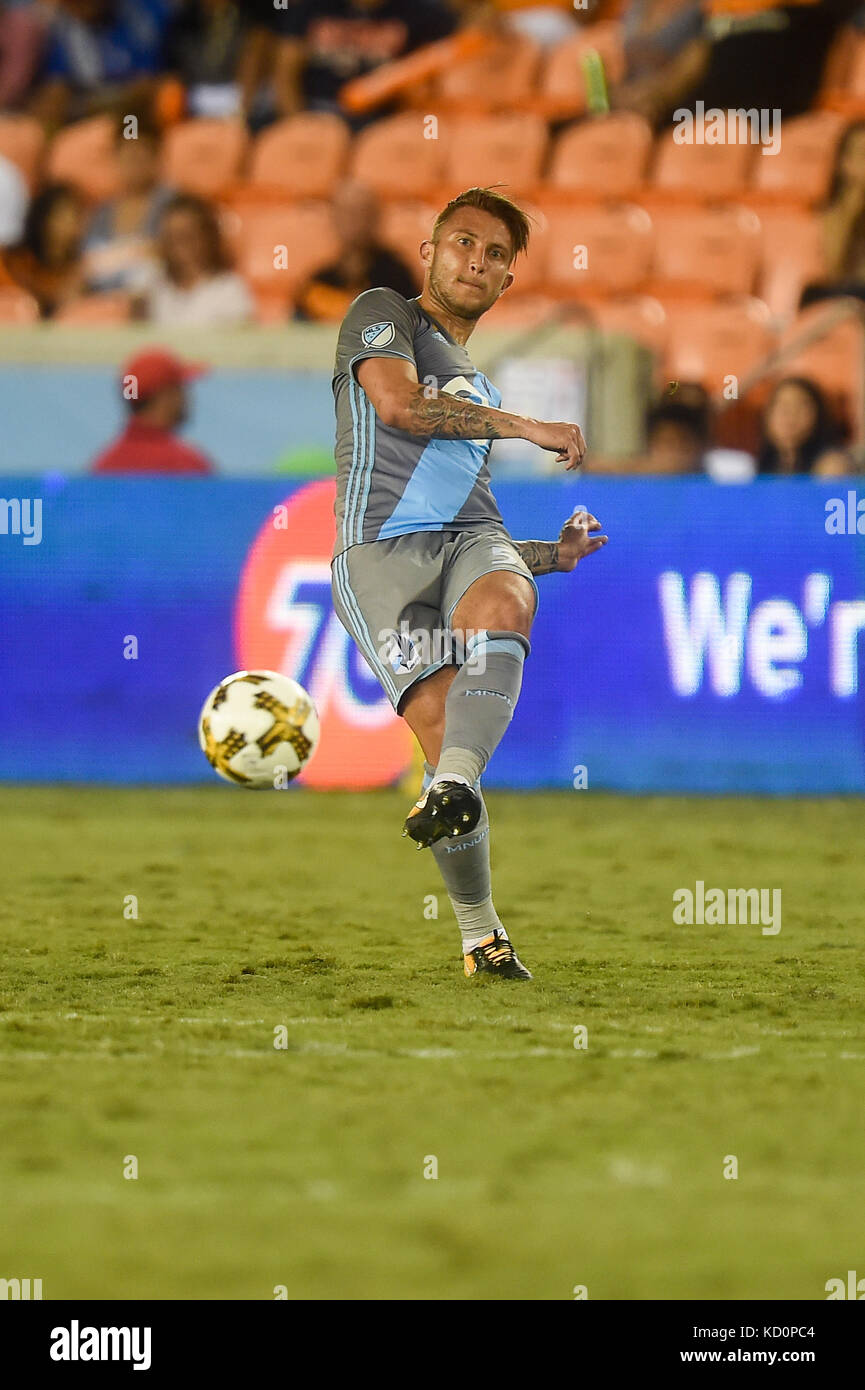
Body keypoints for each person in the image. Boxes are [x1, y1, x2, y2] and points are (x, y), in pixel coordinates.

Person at [330, 186, 607, 982]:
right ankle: (480, 935)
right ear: (429, 251)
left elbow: (464, 515)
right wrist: (527, 426)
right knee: (437, 728)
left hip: (466, 543)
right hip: (375, 559)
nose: (475, 262)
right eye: (462, 243)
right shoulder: (383, 313)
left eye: (495, 255)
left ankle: (450, 783)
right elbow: (399, 406)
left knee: (507, 587)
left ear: (507, 282)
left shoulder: (476, 388)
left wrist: (552, 553)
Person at [31, 0, 174, 128]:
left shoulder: (144, 13)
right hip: (88, 121)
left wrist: (87, 106)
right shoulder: (62, 27)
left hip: (138, 121)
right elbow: (55, 93)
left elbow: (148, 87)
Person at [294, 180, 417, 323]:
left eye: (361, 212)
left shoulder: (397, 276)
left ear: (376, 217)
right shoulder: (318, 282)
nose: (353, 221)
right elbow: (297, 330)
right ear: (332, 218)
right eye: (344, 212)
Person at [134, 192, 253, 326]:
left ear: (208, 237)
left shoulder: (229, 289)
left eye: (188, 237)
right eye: (171, 238)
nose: (180, 247)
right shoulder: (152, 285)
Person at [82, 118, 172, 295]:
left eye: (141, 155)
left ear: (156, 157)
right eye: (128, 155)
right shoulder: (102, 213)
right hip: (103, 301)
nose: (134, 164)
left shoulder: (173, 204)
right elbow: (88, 265)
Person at [90, 347, 213, 475]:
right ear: (165, 396)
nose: (187, 398)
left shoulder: (103, 464)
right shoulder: (187, 464)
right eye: (180, 388)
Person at [800, 121, 865, 308]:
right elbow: (833, 272)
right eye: (863, 154)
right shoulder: (820, 219)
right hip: (829, 311)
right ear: (844, 162)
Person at [1, 180, 86, 317]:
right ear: (44, 218)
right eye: (61, 217)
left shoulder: (77, 267)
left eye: (74, 217)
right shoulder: (15, 261)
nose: (69, 225)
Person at [757, 376, 851, 477]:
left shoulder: (832, 467)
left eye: (799, 406)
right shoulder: (761, 465)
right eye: (782, 405)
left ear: (819, 414)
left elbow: (849, 492)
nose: (790, 415)